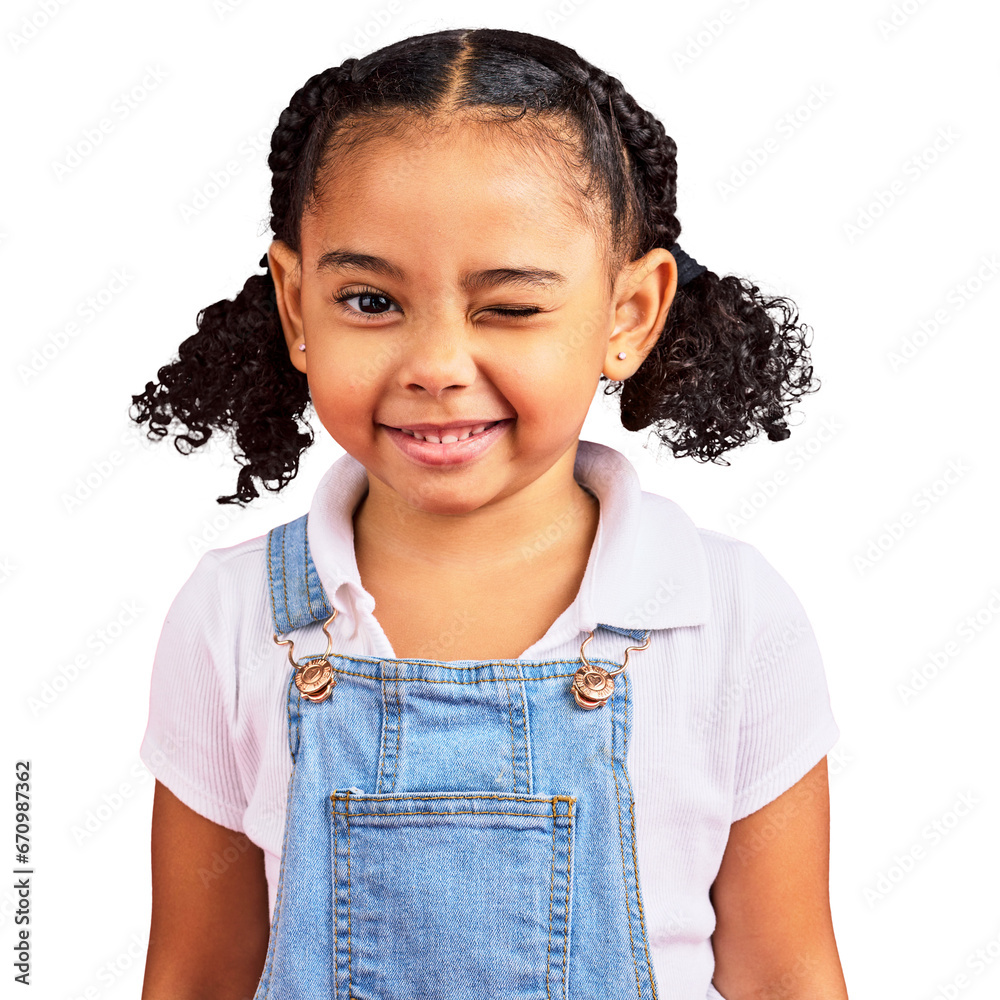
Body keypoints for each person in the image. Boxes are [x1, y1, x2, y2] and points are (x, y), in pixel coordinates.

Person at [132, 27, 848, 1000]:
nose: (434, 362)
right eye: (370, 300)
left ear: (627, 314)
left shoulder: (727, 615)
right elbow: (196, 973)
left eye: (507, 307)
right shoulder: (230, 618)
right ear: (296, 305)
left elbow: (783, 974)